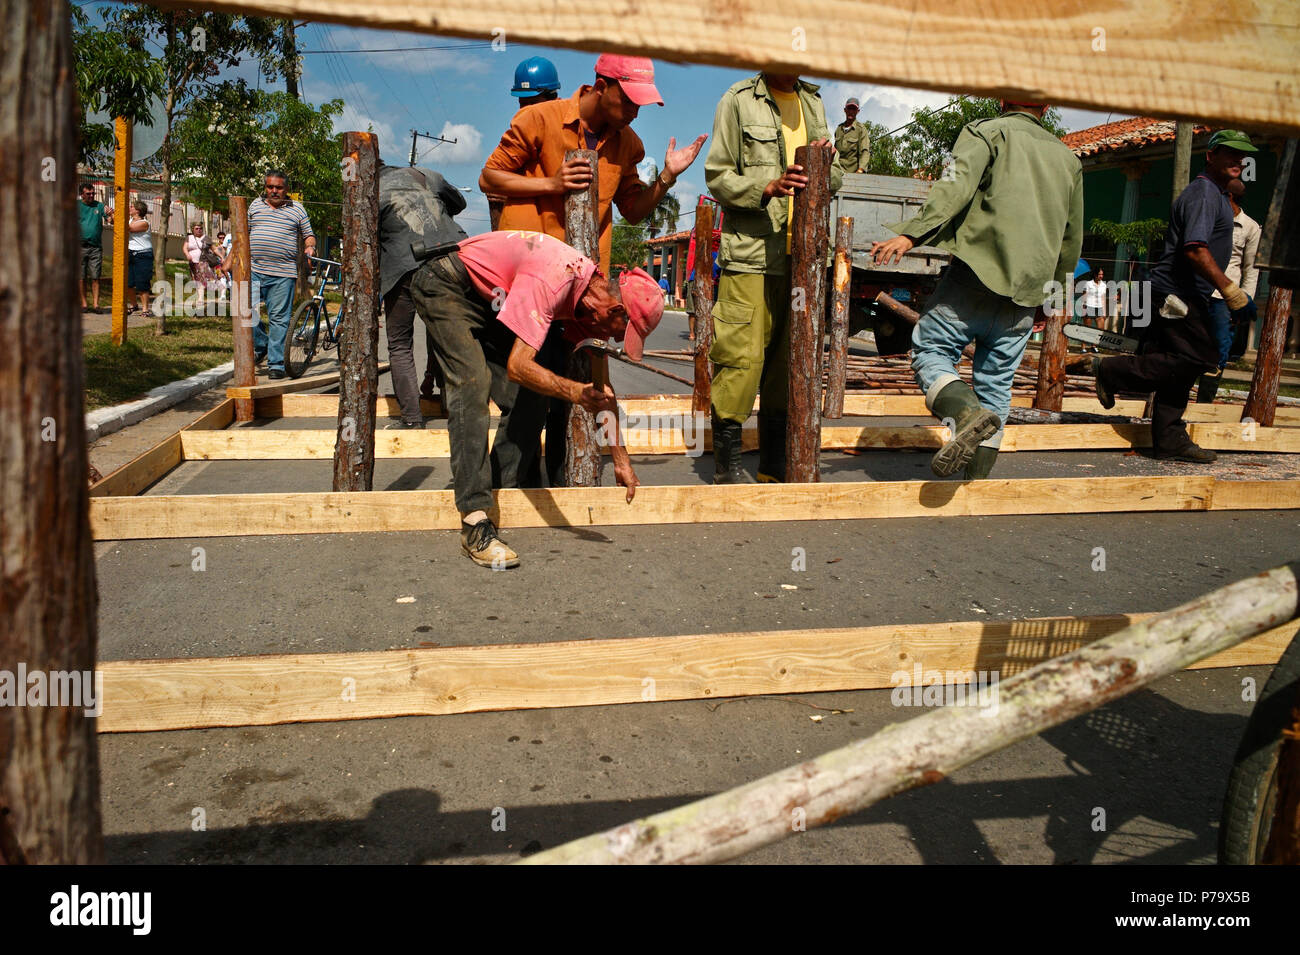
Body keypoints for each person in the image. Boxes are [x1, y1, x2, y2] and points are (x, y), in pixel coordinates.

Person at [479, 53, 706, 486]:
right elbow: (490, 177)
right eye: (630, 100)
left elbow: (634, 211)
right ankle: (506, 490)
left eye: (643, 103)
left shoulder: (628, 145)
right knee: (527, 395)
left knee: (572, 389)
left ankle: (561, 486)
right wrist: (551, 184)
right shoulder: (539, 120)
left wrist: (667, 180)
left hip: (585, 295)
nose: (636, 110)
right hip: (530, 285)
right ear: (602, 86)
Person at [409, 230, 664, 568]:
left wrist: (621, 461)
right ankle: (474, 522)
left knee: (532, 394)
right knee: (472, 384)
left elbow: (603, 389)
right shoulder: (555, 281)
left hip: (490, 301)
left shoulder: (592, 300)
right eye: (622, 331)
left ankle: (497, 490)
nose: (618, 339)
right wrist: (575, 391)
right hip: (445, 283)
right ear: (615, 309)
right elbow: (517, 366)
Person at [872, 100, 1083, 480]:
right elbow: (1071, 239)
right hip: (1027, 293)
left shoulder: (987, 131)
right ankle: (976, 480)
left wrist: (911, 233)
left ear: (1003, 99)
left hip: (975, 277)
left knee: (931, 350)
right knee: (997, 384)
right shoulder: (1068, 160)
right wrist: (1053, 297)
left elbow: (955, 187)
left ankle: (966, 414)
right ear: (1046, 105)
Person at [704, 71, 842, 483]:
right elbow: (718, 175)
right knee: (740, 361)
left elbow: (833, 179)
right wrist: (767, 186)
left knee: (789, 364)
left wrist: (827, 166)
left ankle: (773, 466)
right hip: (751, 255)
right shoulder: (738, 99)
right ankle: (727, 469)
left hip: (801, 259)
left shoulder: (813, 103)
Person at [1094, 130, 1260, 456]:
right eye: (1229, 153)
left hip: (1183, 293)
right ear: (1210, 156)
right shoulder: (1204, 195)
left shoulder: (1217, 195)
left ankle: (1169, 438)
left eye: (1241, 156)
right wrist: (1229, 289)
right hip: (1176, 294)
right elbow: (1195, 250)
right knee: (1199, 358)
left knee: (1172, 364)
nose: (1237, 161)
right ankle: (1110, 370)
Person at [378, 163, 468, 428]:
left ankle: (412, 419)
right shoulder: (429, 175)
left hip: (404, 266)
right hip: (452, 259)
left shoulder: (368, 190)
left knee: (399, 343)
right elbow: (458, 203)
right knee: (446, 335)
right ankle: (450, 407)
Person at [233, 170, 315, 379]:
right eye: (270, 187)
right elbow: (242, 234)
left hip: (283, 274)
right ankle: (261, 345)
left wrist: (310, 248)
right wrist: (229, 260)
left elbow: (309, 235)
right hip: (253, 270)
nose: (274, 191)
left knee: (279, 319)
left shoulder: (297, 209)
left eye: (278, 187)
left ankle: (276, 364)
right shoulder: (255, 205)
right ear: (265, 187)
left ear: (286, 189)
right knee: (243, 309)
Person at [1213, 177, 1261, 363]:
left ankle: (1208, 391)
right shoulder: (1210, 219)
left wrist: (1244, 301)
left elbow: (1251, 270)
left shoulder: (1250, 227)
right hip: (1200, 291)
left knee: (1219, 349)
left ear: (1229, 196)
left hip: (1224, 298)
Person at [78, 183, 113, 313]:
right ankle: (83, 304)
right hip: (80, 247)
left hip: (95, 247)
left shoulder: (99, 206)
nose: (91, 195)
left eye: (93, 193)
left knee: (95, 276)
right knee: (81, 277)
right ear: (82, 194)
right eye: (88, 194)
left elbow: (110, 220)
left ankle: (96, 304)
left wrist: (111, 214)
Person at [125, 200, 154, 317]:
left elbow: (129, 228)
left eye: (132, 207)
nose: (129, 208)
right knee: (129, 282)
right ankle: (133, 305)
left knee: (142, 283)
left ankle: (145, 309)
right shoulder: (130, 220)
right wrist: (110, 215)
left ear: (137, 210)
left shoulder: (144, 223)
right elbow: (116, 223)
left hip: (143, 255)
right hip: (130, 253)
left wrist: (116, 216)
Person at [834, 97, 870, 175]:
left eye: (854, 109)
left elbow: (865, 152)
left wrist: (860, 170)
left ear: (858, 111)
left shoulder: (861, 129)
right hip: (837, 173)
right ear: (845, 110)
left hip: (853, 174)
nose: (851, 111)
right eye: (849, 108)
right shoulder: (838, 129)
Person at [185, 221, 217, 300]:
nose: (199, 230)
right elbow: (185, 247)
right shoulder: (189, 238)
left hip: (203, 261)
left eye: (200, 228)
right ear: (193, 229)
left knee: (208, 280)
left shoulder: (206, 238)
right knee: (197, 281)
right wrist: (187, 254)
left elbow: (214, 249)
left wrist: (222, 257)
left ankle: (210, 286)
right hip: (193, 262)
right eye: (196, 228)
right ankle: (200, 299)